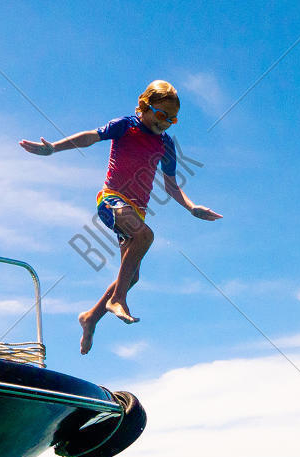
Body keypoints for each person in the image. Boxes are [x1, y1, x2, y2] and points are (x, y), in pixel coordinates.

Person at [19, 80, 222, 354]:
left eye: (172, 120)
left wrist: (192, 207)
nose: (166, 123)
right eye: (161, 116)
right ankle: (118, 299)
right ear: (144, 106)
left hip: (135, 211)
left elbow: (171, 185)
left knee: (133, 275)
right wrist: (54, 147)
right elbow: (90, 137)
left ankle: (90, 317)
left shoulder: (165, 144)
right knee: (146, 236)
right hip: (111, 200)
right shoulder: (126, 126)